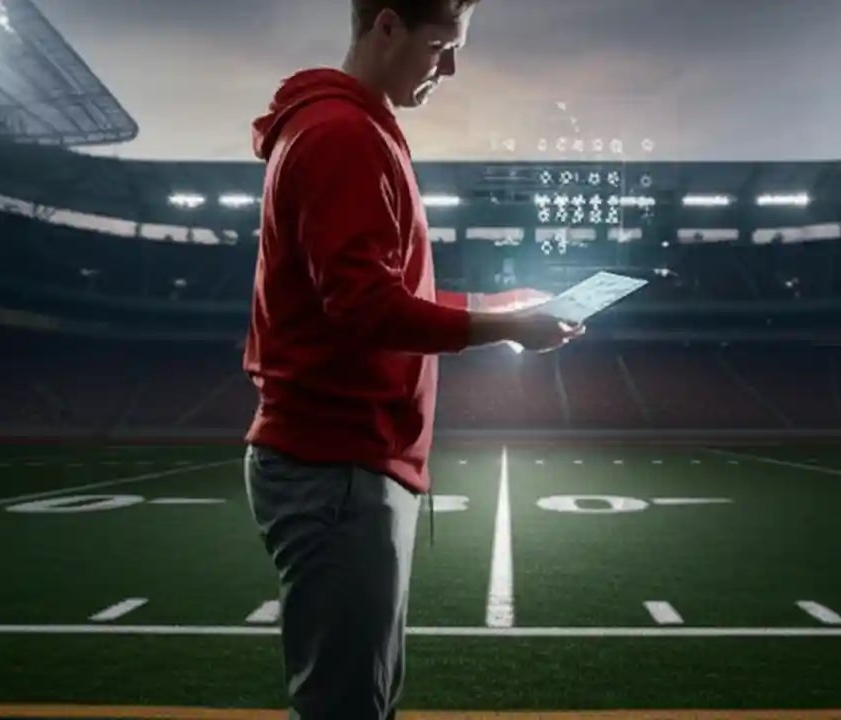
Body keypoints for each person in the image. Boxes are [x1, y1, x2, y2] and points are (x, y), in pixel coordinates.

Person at [240, 1, 584, 717]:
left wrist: (493, 306)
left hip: (348, 461)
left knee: (365, 697)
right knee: (347, 706)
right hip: (337, 463)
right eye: (440, 45)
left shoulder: (351, 126)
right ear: (387, 26)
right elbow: (364, 308)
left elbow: (384, 293)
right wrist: (505, 328)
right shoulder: (341, 134)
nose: (450, 67)